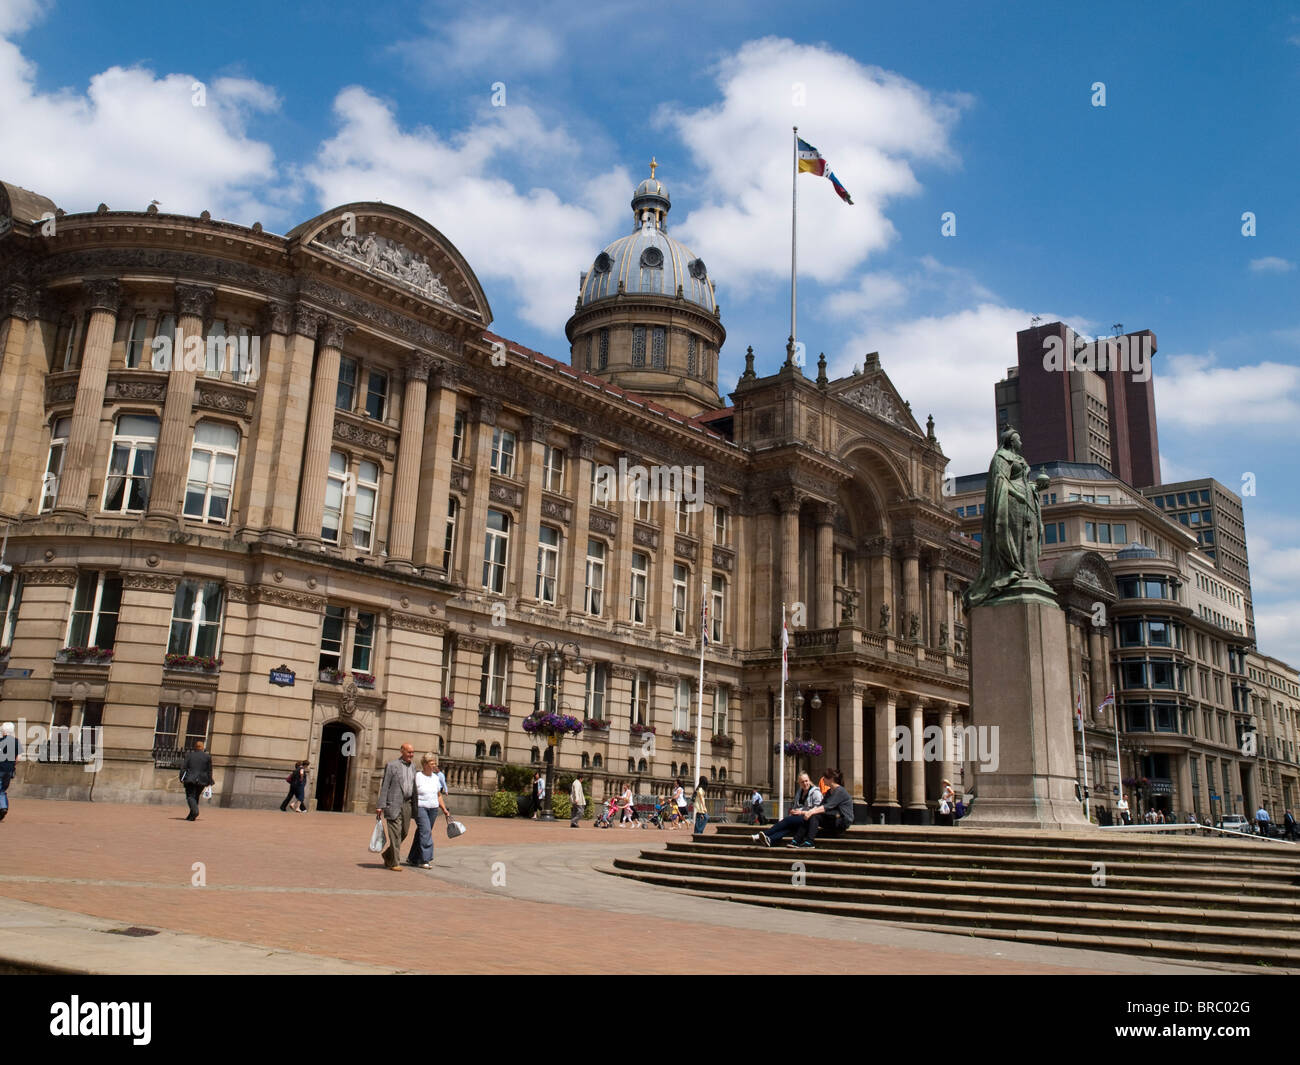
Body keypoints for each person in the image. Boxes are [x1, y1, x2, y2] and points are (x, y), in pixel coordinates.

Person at [752, 772, 821, 847]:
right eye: (802, 782)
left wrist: (801, 812)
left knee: (787, 820)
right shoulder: (799, 792)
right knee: (789, 828)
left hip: (808, 817)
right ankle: (770, 839)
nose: (805, 783)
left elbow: (817, 809)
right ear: (799, 783)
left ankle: (764, 834)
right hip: (799, 817)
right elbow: (795, 806)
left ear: (809, 780)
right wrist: (793, 811)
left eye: (806, 781)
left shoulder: (816, 792)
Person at [376, 743, 416, 871]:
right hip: (393, 803)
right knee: (395, 834)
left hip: (407, 804)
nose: (411, 754)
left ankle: (387, 855)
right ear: (402, 751)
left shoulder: (413, 767)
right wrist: (380, 805)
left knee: (404, 832)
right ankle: (395, 862)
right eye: (409, 752)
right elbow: (385, 786)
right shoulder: (392, 766)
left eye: (412, 752)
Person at [407, 753, 450, 868]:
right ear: (425, 765)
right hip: (420, 807)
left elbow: (438, 795)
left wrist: (444, 809)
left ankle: (412, 857)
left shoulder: (436, 778)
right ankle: (424, 859)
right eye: (432, 764)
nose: (434, 766)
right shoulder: (417, 777)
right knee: (426, 832)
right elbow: (411, 793)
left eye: (434, 763)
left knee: (421, 833)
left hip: (433, 809)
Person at [179, 739, 214, 821]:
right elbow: (209, 770)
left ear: (195, 747)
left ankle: (195, 812)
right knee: (195, 797)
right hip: (202, 780)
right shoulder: (207, 757)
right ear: (202, 748)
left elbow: (183, 768)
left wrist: (181, 777)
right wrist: (209, 781)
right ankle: (191, 816)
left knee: (190, 797)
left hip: (190, 779)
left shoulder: (189, 755)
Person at [0, 721, 21, 822]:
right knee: (2, 790)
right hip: (9, 770)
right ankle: (3, 808)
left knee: (0, 791)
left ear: (3, 730)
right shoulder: (16, 742)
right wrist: (12, 765)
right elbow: (18, 758)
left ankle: (3, 807)